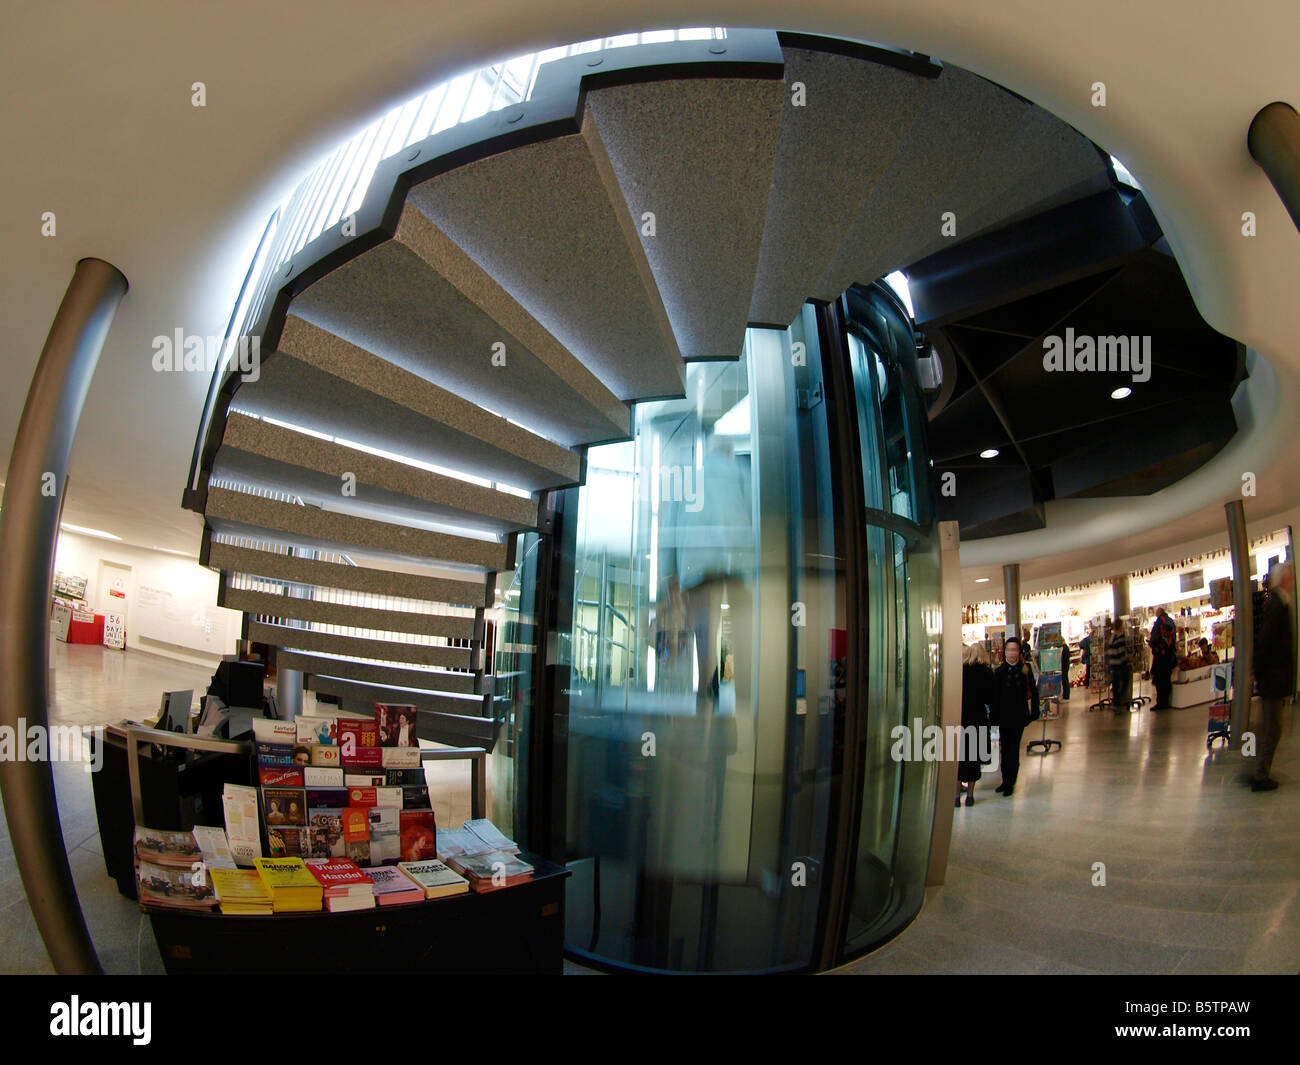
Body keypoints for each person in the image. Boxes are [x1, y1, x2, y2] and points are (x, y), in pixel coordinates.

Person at [1250, 561, 1294, 792]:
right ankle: (1259, 774)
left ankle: (1258, 769)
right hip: (1272, 680)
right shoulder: (1277, 605)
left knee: (1270, 728)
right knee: (1271, 729)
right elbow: (1266, 643)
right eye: (1290, 576)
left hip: (1274, 679)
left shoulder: (1280, 603)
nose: (1293, 580)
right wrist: (1259, 673)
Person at [990, 636, 1038, 797]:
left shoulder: (1025, 670)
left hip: (1018, 717)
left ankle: (1011, 782)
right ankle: (1005, 780)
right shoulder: (999, 672)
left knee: (1013, 749)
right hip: (1003, 717)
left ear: (1019, 651)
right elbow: (995, 697)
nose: (1012, 653)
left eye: (1015, 649)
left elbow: (1033, 691)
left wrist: (1034, 712)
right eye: (1009, 650)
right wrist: (994, 718)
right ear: (1005, 652)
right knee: (1005, 749)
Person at [958, 642, 995, 806]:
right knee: (974, 759)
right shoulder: (986, 672)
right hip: (978, 718)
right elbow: (991, 698)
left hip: (960, 718)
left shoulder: (959, 672)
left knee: (958, 758)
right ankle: (970, 796)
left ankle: (955, 796)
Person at [1149, 606, 1177, 709]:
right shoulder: (1170, 621)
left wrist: (1153, 645)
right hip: (1170, 654)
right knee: (1166, 679)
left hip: (1161, 655)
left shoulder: (1160, 621)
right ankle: (1166, 701)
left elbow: (1154, 637)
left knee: (1159, 679)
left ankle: (1161, 703)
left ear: (1159, 612)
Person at [1108, 616, 1132, 710]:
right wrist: (1127, 660)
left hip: (1113, 665)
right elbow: (1121, 653)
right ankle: (1117, 702)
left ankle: (1115, 703)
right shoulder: (1120, 638)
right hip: (1120, 665)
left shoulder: (1112, 638)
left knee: (1116, 685)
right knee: (1125, 683)